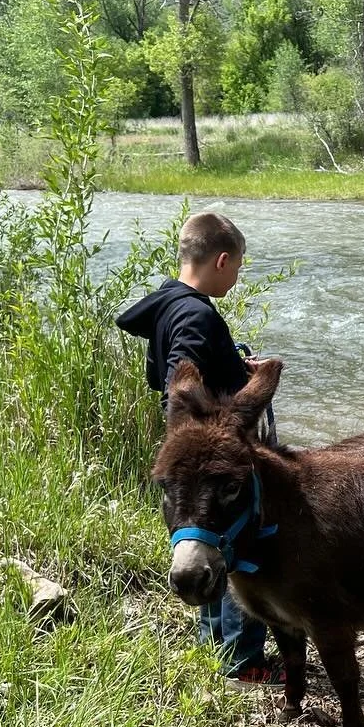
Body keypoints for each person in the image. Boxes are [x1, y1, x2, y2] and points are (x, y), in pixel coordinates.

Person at [116, 211, 286, 688]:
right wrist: (211, 414)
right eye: (238, 268)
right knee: (237, 541)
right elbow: (181, 372)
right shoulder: (196, 314)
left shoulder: (170, 304)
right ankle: (243, 661)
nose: (236, 277)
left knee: (205, 538)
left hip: (191, 456)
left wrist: (234, 368)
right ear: (222, 260)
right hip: (214, 456)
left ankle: (214, 647)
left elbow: (172, 373)